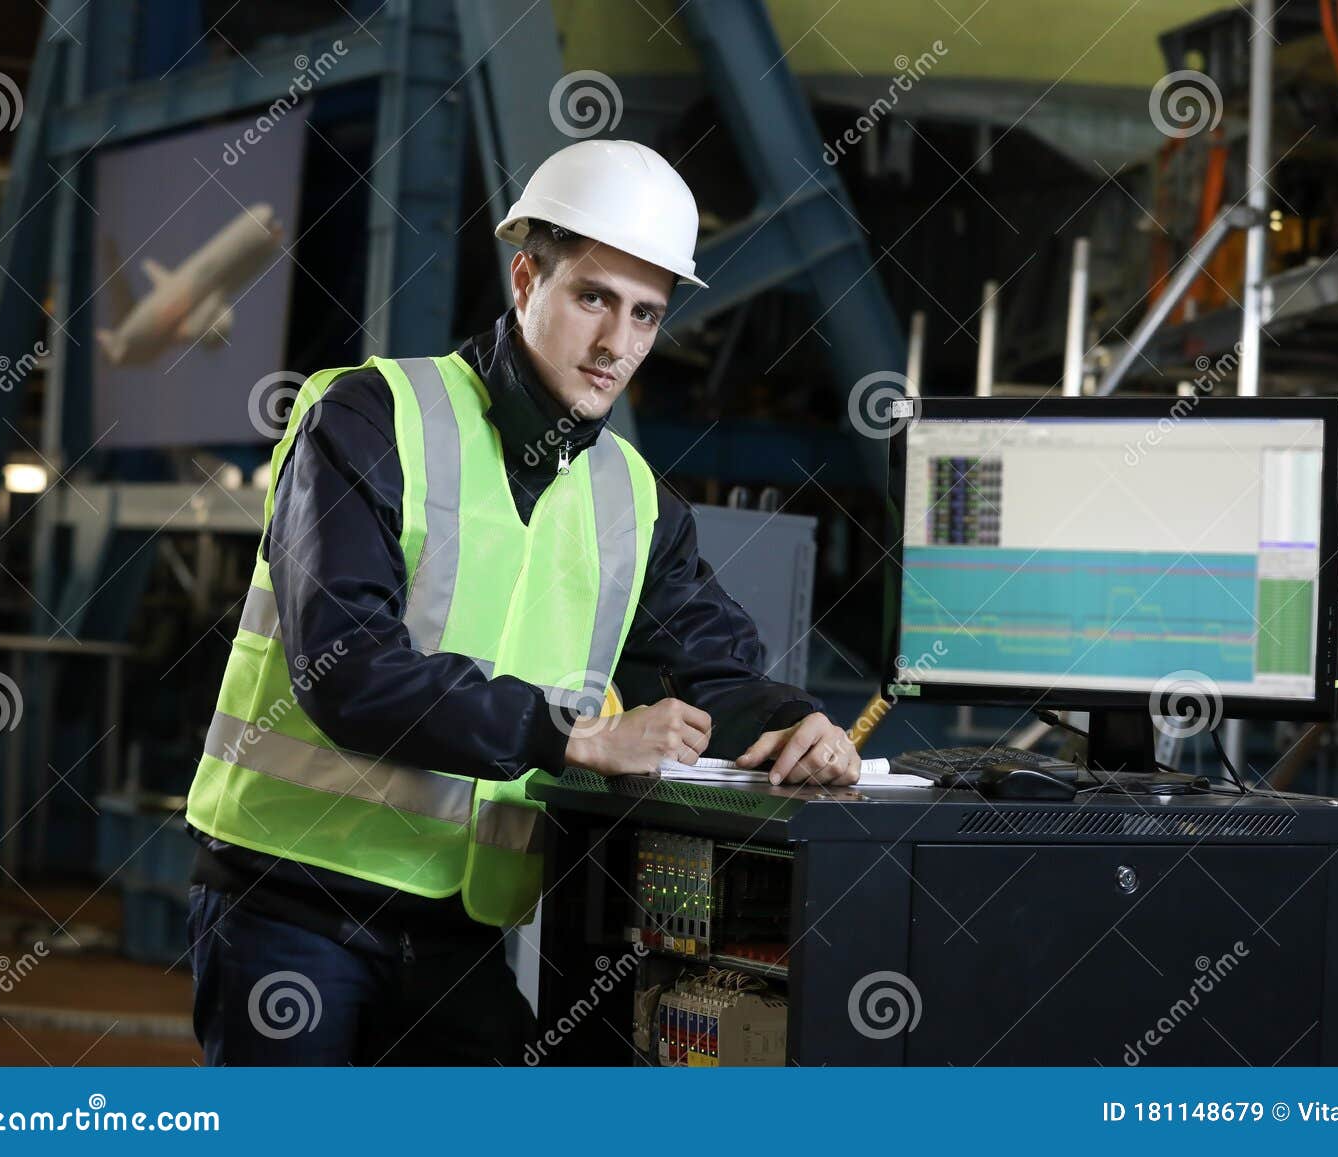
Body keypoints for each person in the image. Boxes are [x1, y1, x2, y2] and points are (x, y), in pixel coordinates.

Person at [183, 139, 861, 1065]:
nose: (617, 343)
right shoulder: (369, 417)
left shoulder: (632, 496)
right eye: (593, 298)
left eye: (646, 314)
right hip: (290, 903)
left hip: (458, 930)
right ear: (525, 280)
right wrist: (567, 733)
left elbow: (707, 668)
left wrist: (794, 721)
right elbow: (345, 668)